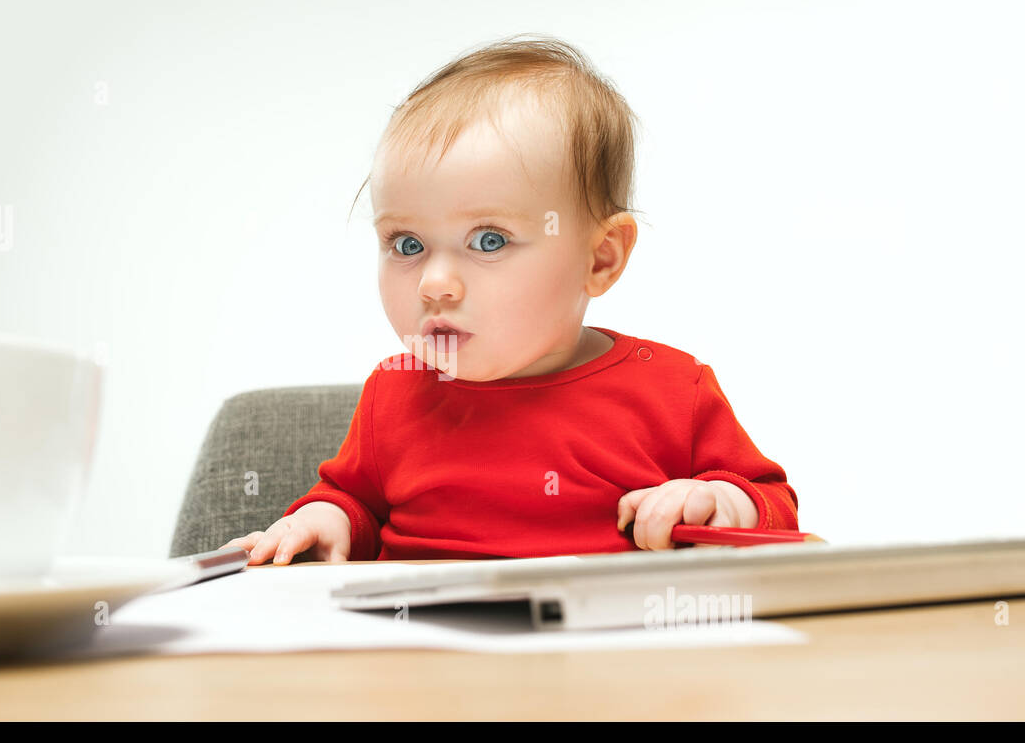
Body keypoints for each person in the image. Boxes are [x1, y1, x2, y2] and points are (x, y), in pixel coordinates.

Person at [221, 34, 798, 563]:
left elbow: (776, 511)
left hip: (608, 661)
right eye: (408, 243)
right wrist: (325, 519)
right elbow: (355, 505)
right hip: (425, 656)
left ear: (600, 258)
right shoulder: (391, 394)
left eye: (488, 240)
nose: (434, 283)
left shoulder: (674, 390)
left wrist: (721, 503)